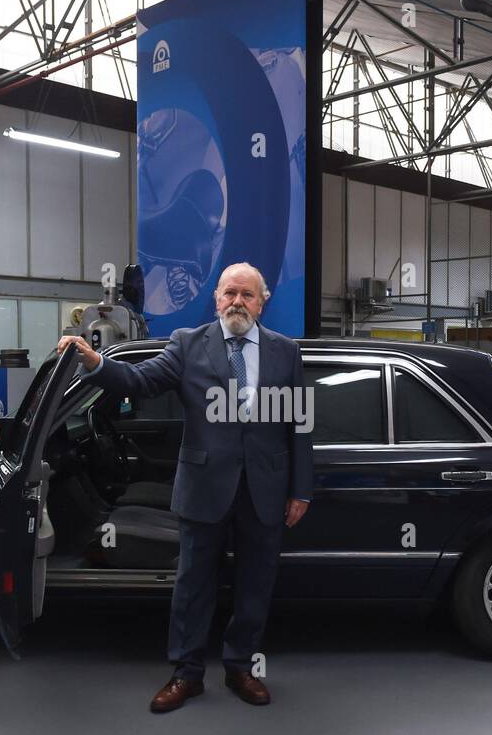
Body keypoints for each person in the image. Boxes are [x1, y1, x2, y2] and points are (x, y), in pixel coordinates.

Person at [57, 262, 313, 712]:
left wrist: (301, 489)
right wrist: (96, 363)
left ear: (262, 302)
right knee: (193, 585)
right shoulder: (187, 345)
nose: (237, 301)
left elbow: (300, 424)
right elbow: (139, 381)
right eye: (230, 292)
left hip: (265, 489)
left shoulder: (284, 351)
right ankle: (186, 673)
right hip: (204, 486)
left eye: (247, 295)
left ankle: (241, 668)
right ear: (216, 298)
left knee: (256, 584)